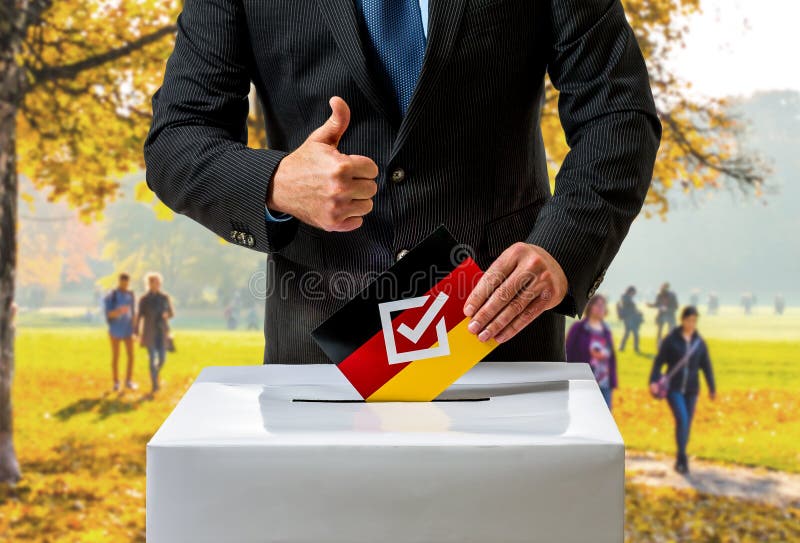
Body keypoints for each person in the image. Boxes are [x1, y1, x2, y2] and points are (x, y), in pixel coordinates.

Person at [144, 0, 661, 363]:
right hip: (320, 356)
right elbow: (177, 139)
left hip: (501, 337)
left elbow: (618, 112)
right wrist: (277, 182)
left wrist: (563, 247)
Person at [649, 306, 716, 474]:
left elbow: (706, 366)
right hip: (674, 388)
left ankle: (681, 455)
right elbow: (659, 362)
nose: (691, 324)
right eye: (689, 320)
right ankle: (682, 457)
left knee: (686, 424)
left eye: (694, 321)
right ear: (683, 320)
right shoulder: (671, 340)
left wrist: (712, 387)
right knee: (683, 419)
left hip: (692, 389)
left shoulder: (699, 343)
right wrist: (653, 380)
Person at [566, 295, 618, 409]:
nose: (601, 308)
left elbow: (611, 357)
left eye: (603, 305)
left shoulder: (606, 330)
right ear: (590, 306)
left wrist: (613, 381)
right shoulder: (578, 328)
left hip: (604, 382)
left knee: (605, 415)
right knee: (583, 412)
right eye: (598, 305)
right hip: (583, 381)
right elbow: (568, 352)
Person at [136, 272, 174, 393]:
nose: (157, 285)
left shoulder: (164, 298)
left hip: (162, 332)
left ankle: (155, 373)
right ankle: (154, 384)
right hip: (149, 333)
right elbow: (139, 316)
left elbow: (171, 313)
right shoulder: (144, 299)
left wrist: (167, 314)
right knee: (152, 358)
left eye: (158, 283)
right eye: (155, 283)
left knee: (162, 359)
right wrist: (136, 331)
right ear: (149, 284)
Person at [104, 273, 137, 392]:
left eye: (127, 283)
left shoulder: (131, 295)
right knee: (116, 357)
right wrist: (119, 311)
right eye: (123, 283)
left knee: (131, 356)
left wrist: (135, 330)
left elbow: (134, 313)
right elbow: (108, 314)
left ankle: (128, 381)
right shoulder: (112, 296)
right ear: (119, 282)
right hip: (115, 330)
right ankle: (116, 382)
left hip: (128, 330)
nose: (125, 285)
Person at [617, 286, 642, 354]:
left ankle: (622, 347)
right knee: (633, 333)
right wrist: (635, 310)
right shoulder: (625, 297)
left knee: (629, 333)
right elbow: (628, 307)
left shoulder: (628, 297)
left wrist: (638, 312)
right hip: (628, 318)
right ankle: (633, 348)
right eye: (634, 292)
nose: (634, 294)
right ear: (631, 291)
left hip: (632, 318)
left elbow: (631, 308)